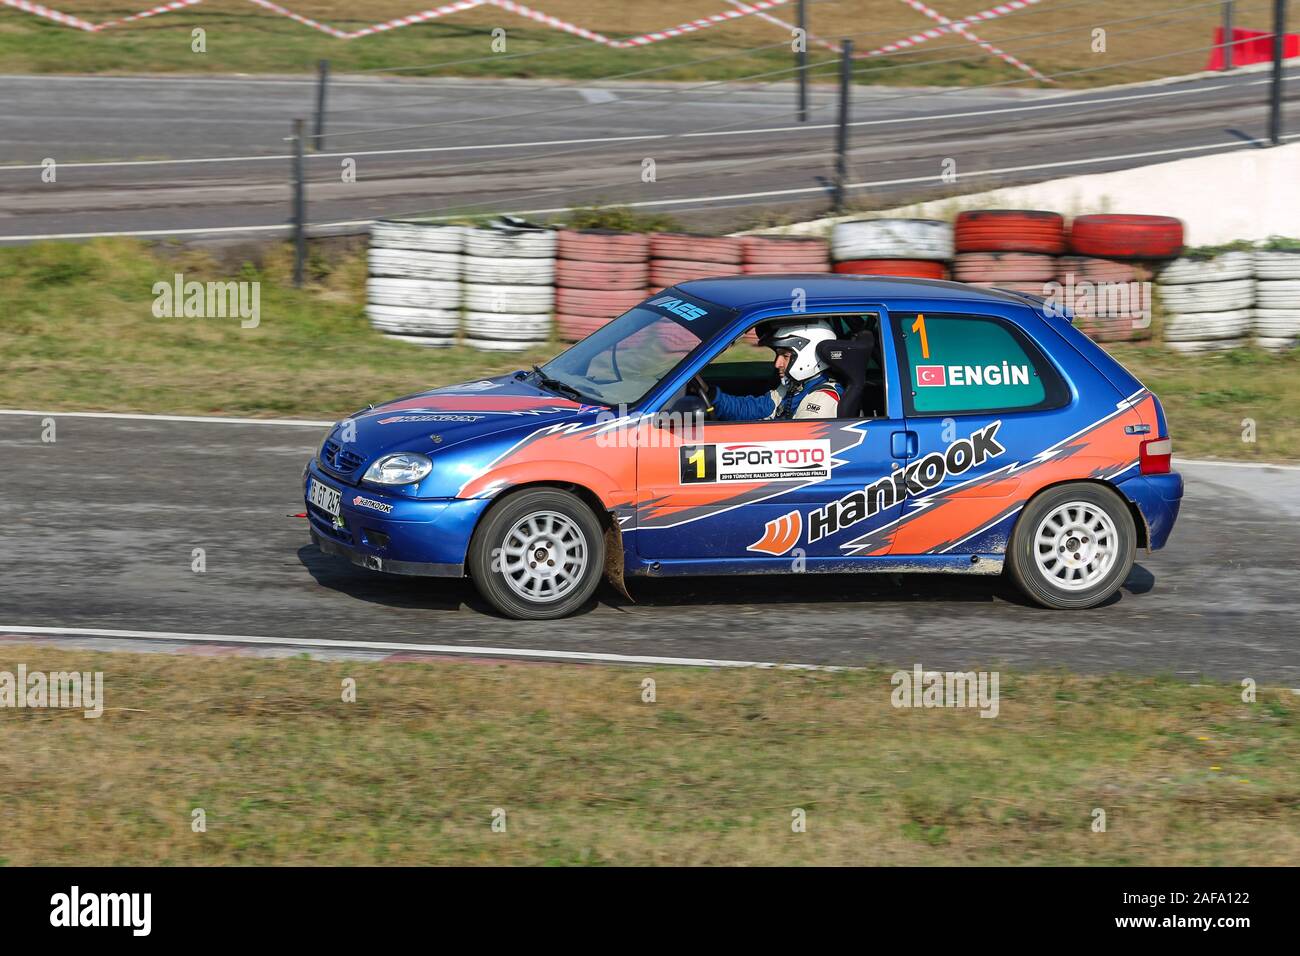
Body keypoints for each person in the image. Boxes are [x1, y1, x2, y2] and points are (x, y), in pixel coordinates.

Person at [707, 320, 842, 420]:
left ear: (809, 356)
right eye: (778, 355)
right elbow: (755, 409)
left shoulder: (822, 398)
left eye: (785, 356)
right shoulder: (795, 386)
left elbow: (799, 448)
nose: (777, 363)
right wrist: (714, 399)